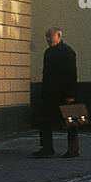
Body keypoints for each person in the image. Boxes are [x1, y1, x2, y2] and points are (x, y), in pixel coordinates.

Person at [33, 27, 79, 159]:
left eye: (50, 36)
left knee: (70, 121)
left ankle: (73, 149)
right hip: (49, 93)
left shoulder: (68, 52)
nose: (47, 39)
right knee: (45, 120)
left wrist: (71, 94)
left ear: (59, 36)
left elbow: (72, 74)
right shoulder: (48, 52)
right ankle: (47, 148)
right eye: (46, 36)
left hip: (65, 93)